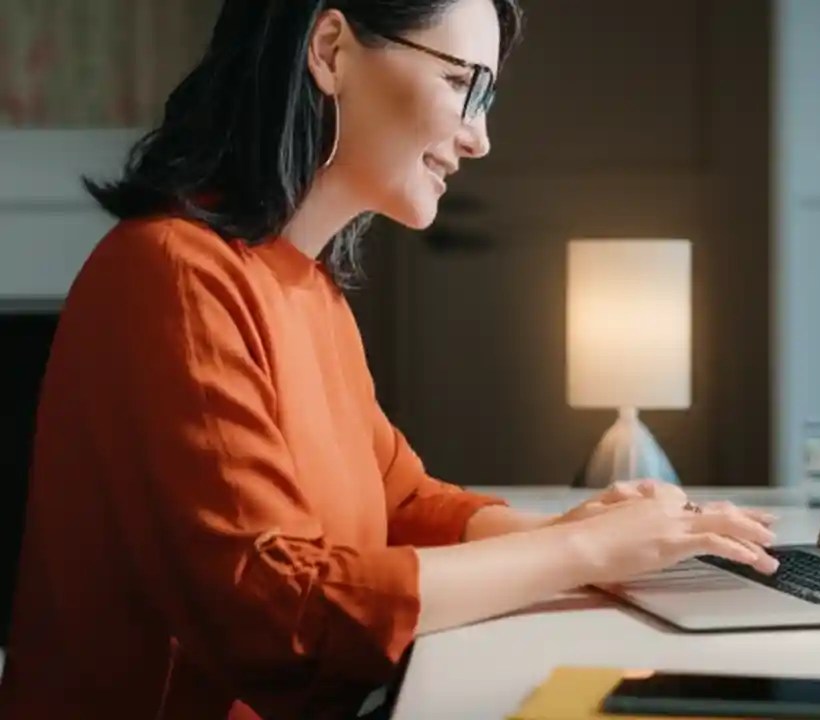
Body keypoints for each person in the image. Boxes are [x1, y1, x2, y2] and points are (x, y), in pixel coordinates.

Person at [0, 1, 779, 719]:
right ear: (330, 50)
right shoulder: (173, 274)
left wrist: (581, 534)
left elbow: (400, 504)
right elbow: (282, 616)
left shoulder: (305, 285)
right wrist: (579, 552)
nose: (479, 137)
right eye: (462, 84)